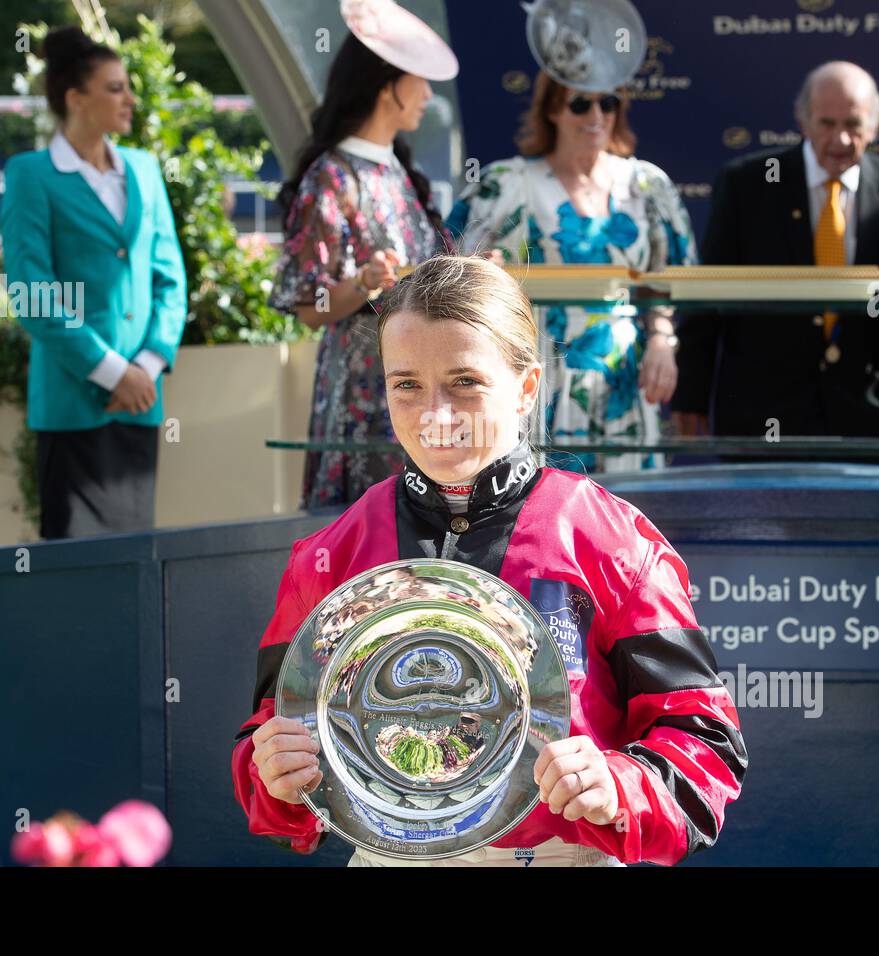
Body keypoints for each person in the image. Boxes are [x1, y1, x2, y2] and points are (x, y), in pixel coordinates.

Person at [231, 255, 747, 867]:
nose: (435, 415)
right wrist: (272, 771)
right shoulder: (330, 554)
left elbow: (705, 739)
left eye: (465, 382)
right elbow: (267, 737)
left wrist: (619, 785)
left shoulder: (609, 538)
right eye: (407, 384)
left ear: (526, 387)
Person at [671, 61, 879, 464]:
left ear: (876, 126)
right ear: (803, 120)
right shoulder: (747, 184)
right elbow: (707, 296)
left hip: (861, 422)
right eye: (826, 123)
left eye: (854, 124)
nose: (840, 138)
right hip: (759, 419)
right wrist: (691, 393)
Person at [445, 72, 694, 474]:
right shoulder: (509, 182)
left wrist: (662, 340)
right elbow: (451, 267)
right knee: (542, 507)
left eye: (608, 103)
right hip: (537, 369)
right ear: (553, 109)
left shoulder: (647, 184)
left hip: (624, 375)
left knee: (624, 512)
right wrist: (483, 272)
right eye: (581, 103)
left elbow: (668, 278)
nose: (596, 115)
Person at [270, 0, 457, 509]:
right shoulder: (331, 177)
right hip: (362, 402)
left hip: (413, 389)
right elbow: (310, 310)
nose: (427, 93)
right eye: (418, 78)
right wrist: (363, 284)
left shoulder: (396, 173)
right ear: (385, 82)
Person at [1, 26, 186, 539]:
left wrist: (145, 368)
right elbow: (31, 293)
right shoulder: (31, 175)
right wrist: (112, 372)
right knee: (76, 577)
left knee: (134, 570)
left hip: (140, 404)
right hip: (73, 404)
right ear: (75, 98)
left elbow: (171, 279)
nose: (130, 98)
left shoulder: (146, 171)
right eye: (114, 88)